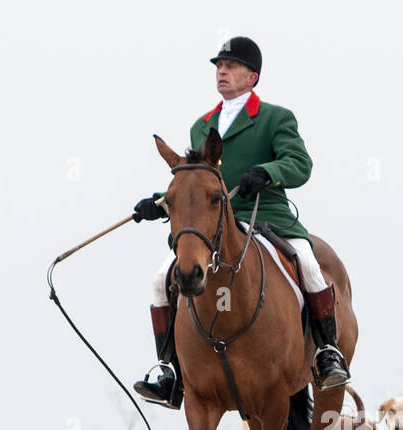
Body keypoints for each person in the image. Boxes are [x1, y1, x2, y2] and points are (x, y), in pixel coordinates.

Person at [131, 36, 350, 409]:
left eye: (230, 66)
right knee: (158, 281)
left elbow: (301, 164)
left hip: (267, 216)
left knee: (310, 267)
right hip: (214, 224)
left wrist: (267, 172)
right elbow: (196, 183)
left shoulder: (275, 118)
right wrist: (159, 203)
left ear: (252, 77)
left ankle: (326, 352)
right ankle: (168, 371)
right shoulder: (202, 126)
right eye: (219, 66)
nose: (222, 72)